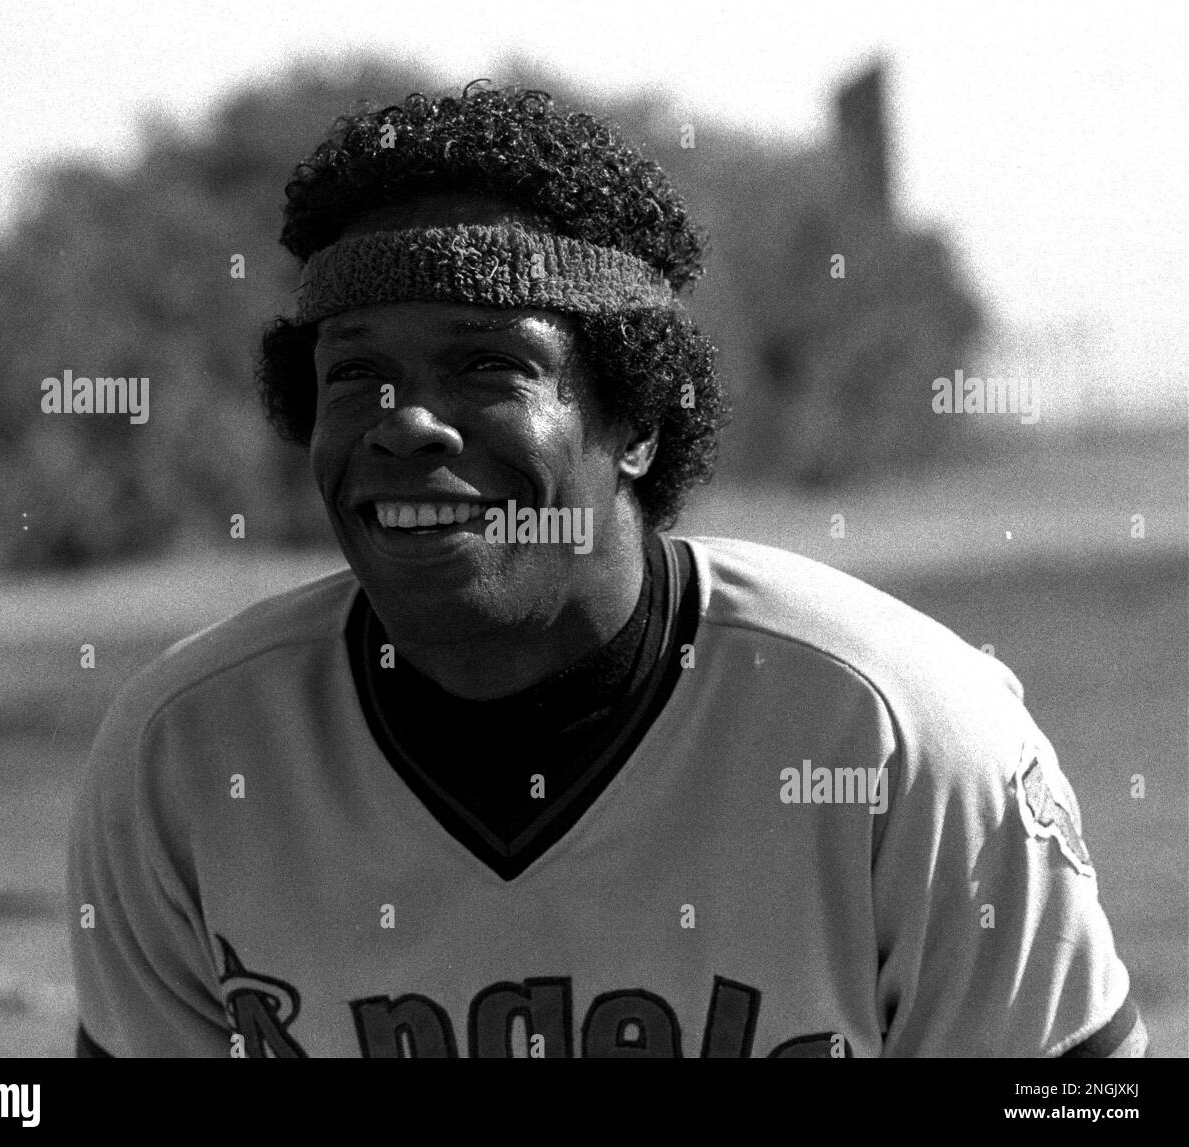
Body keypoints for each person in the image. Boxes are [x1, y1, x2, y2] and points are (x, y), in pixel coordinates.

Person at [68, 82, 1144, 1058]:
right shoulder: (184, 755)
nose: (405, 426)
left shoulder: (901, 731)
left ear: (632, 417)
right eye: (355, 373)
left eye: (489, 363)